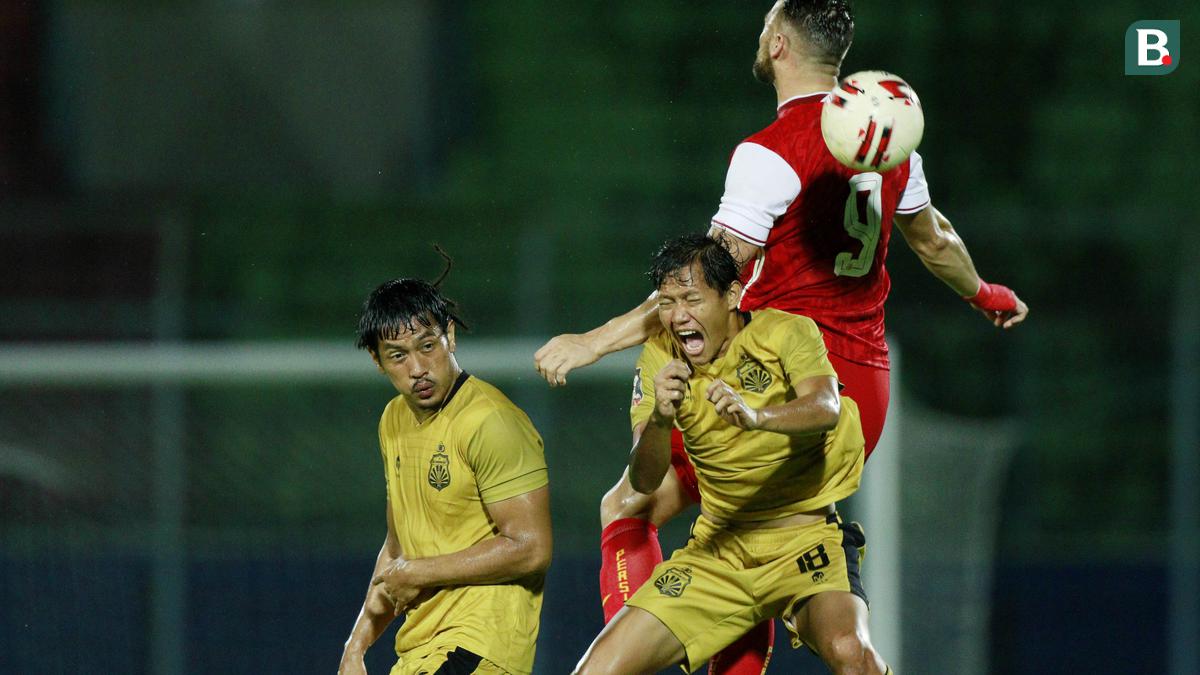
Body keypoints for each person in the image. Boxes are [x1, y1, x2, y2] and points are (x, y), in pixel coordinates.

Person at [535, 1, 1029, 671]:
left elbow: (703, 281)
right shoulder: (887, 135)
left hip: (778, 369)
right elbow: (934, 237)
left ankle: (650, 639)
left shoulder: (771, 152)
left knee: (633, 501)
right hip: (864, 391)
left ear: (776, 43)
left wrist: (593, 340)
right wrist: (983, 292)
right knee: (761, 531)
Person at [573, 234, 890, 674]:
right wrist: (662, 419)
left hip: (805, 542)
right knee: (596, 670)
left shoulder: (785, 331)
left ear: (731, 296)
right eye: (666, 302)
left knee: (850, 653)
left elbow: (825, 406)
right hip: (720, 554)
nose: (678, 316)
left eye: (691, 299)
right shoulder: (659, 356)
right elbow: (644, 481)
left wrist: (756, 417)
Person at [339, 278, 553, 675]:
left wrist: (419, 572)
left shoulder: (492, 421)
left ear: (449, 336)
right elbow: (398, 545)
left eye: (427, 346)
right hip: (420, 649)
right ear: (376, 360)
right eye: (398, 355)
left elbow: (531, 547)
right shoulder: (393, 420)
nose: (418, 368)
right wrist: (357, 645)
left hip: (479, 645)